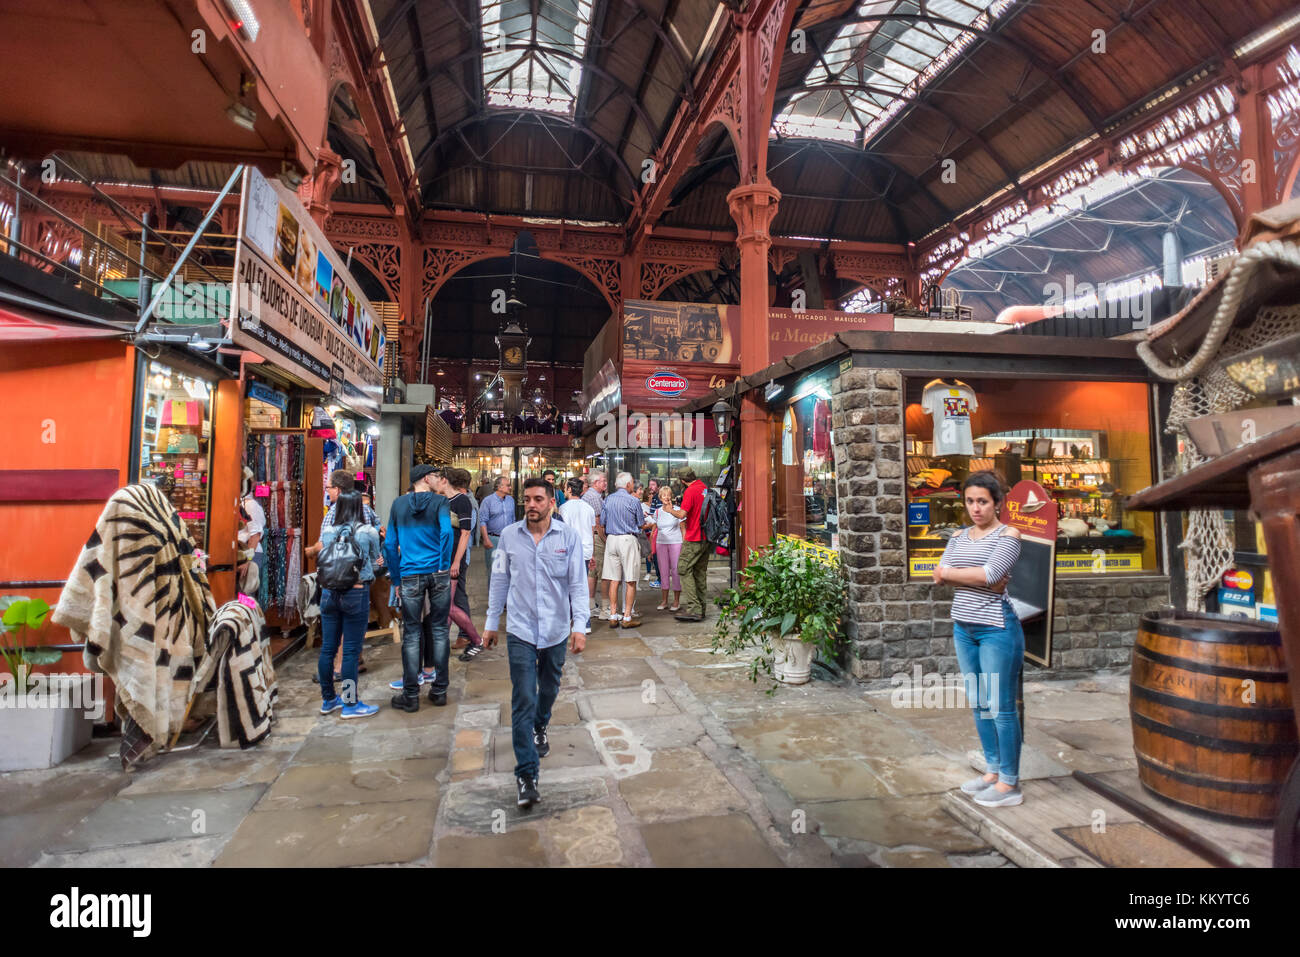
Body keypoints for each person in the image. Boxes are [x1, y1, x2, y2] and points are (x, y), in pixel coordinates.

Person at [483, 478, 589, 809]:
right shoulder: (509, 539)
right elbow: (499, 580)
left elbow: (578, 585)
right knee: (523, 697)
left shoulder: (568, 537)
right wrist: (490, 623)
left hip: (557, 629)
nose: (531, 504)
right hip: (520, 630)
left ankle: (541, 725)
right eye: (527, 499)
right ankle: (526, 774)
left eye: (538, 499)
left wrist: (580, 625)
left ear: (551, 503)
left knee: (549, 688)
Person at [933, 470, 1024, 808]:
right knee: (979, 703)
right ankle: (993, 770)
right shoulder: (957, 537)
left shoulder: (1008, 534)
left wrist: (959, 575)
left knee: (1001, 707)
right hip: (964, 627)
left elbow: (991, 575)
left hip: (996, 628)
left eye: (983, 501)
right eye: (970, 501)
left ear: (997, 502)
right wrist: (976, 578)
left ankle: (1010, 783)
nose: (976, 508)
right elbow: (938, 576)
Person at [385, 464, 456, 712]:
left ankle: (411, 695)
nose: (440, 480)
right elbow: (447, 533)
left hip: (410, 574)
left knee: (412, 633)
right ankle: (439, 691)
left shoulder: (398, 505)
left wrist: (395, 578)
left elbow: (390, 544)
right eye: (437, 476)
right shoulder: (440, 503)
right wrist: (442, 564)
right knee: (439, 630)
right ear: (426, 478)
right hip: (437, 574)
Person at [317, 491, 382, 719]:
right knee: (351, 651)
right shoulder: (368, 532)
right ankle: (350, 703)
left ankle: (328, 699)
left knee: (328, 648)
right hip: (356, 593)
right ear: (358, 508)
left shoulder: (327, 532)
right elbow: (375, 560)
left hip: (328, 594)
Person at [436, 467, 485, 661]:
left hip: (454, 560)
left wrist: (457, 561)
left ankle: (475, 640)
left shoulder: (462, 500)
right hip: (444, 558)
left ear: (445, 480)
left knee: (447, 604)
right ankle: (442, 644)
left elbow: (466, 533)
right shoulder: (442, 501)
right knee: (447, 602)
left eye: (439, 478)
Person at [601, 472, 651, 629]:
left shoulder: (608, 499)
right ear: (628, 485)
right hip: (627, 540)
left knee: (613, 579)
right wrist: (648, 524)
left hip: (611, 540)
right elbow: (641, 523)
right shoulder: (633, 500)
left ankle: (613, 615)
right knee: (630, 580)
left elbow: (602, 521)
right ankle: (627, 617)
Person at [558, 477, 597, 634]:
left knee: (567, 588)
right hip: (586, 551)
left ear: (568, 490)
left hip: (569, 552)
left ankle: (567, 620)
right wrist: (592, 553)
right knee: (581, 587)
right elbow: (592, 532)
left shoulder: (564, 508)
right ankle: (584, 623)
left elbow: (562, 533)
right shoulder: (589, 508)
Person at [675, 468, 711, 622]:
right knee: (699, 572)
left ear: (683, 481)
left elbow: (682, 514)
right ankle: (701, 607)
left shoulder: (690, 491)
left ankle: (694, 608)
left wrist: (669, 509)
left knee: (683, 568)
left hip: (694, 536)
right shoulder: (704, 487)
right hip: (706, 537)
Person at [479, 476, 516, 593]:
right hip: (493, 538)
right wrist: (486, 539)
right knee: (495, 570)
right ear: (499, 487)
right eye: (507, 485)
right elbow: (482, 520)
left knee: (508, 569)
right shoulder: (488, 501)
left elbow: (513, 520)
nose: (510, 487)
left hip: (509, 540)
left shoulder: (511, 500)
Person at [654, 485, 686, 612]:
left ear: (671, 497)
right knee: (663, 571)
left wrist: (684, 545)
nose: (666, 497)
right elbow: (654, 529)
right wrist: (652, 548)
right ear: (660, 498)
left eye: (668, 495)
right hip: (661, 543)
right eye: (663, 495)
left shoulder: (678, 510)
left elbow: (683, 529)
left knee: (676, 570)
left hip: (676, 542)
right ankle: (664, 600)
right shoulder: (657, 512)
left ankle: (676, 600)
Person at [582, 472, 610, 619]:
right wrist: (605, 539)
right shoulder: (594, 497)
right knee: (600, 571)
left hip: (589, 536)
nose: (605, 483)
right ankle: (603, 608)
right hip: (596, 537)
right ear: (595, 483)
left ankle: (590, 604)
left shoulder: (591, 495)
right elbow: (598, 522)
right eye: (603, 481)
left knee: (591, 572)